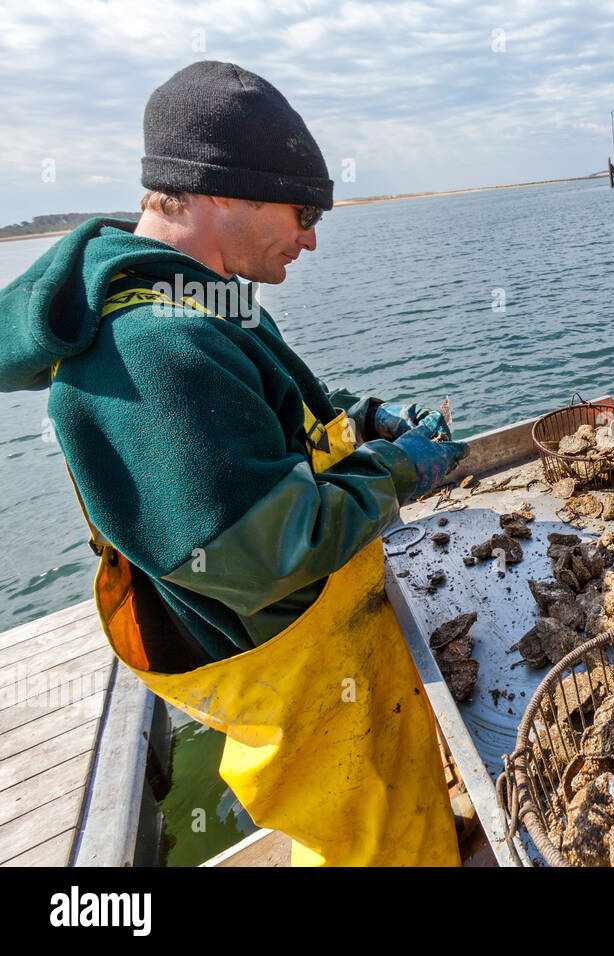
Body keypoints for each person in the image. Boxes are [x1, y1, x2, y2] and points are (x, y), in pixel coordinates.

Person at [0, 61, 468, 865]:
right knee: (367, 843)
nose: (312, 236)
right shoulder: (149, 351)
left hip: (330, 656)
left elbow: (276, 420)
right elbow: (266, 551)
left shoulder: (198, 298)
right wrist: (399, 469)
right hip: (295, 675)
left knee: (397, 804)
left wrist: (360, 421)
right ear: (224, 191)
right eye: (302, 209)